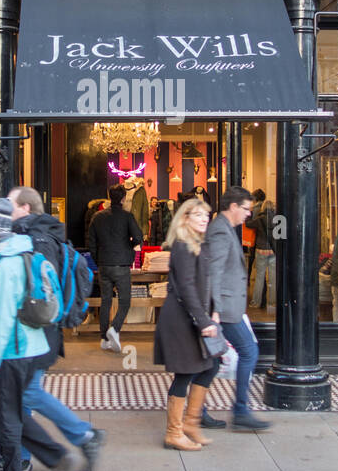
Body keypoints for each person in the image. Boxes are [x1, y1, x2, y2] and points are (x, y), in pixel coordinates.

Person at [0, 186, 105, 471]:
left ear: (25, 209)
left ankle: (83, 435)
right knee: (23, 392)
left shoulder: (35, 240)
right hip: (39, 329)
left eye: (10, 203)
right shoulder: (43, 235)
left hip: (38, 330)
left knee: (26, 393)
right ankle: (22, 454)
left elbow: (39, 292)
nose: (5, 208)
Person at [0, 198, 71, 471]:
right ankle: (57, 458)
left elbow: (1, 319)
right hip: (33, 346)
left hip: (12, 352)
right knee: (15, 414)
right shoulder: (23, 250)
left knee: (7, 421)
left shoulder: (6, 262)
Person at [154, 198, 222, 451]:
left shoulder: (199, 244)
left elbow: (206, 283)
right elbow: (186, 288)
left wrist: (214, 311)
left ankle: (191, 423)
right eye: (198, 215)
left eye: (206, 215)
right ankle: (174, 432)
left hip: (195, 316)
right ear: (184, 218)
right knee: (186, 371)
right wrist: (203, 320)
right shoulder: (183, 246)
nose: (204, 219)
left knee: (210, 365)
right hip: (181, 319)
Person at [207, 186, 270, 430]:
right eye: (246, 209)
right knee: (249, 351)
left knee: (211, 361)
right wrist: (216, 309)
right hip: (225, 308)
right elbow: (215, 271)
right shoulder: (221, 232)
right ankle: (241, 410)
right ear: (233, 207)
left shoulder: (226, 228)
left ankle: (198, 409)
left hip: (227, 306)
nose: (248, 215)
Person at [89, 184, 143, 352]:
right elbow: (139, 237)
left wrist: (98, 259)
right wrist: (129, 245)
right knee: (124, 300)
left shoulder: (97, 217)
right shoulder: (127, 216)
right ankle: (115, 328)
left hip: (104, 265)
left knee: (105, 301)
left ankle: (104, 339)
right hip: (122, 265)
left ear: (108, 196)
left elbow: (91, 242)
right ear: (123, 198)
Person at [247, 189, 276, 310]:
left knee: (259, 277)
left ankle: (256, 302)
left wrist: (249, 212)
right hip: (273, 251)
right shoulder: (278, 218)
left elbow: (248, 224)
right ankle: (272, 303)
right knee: (273, 277)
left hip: (260, 250)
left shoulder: (259, 218)